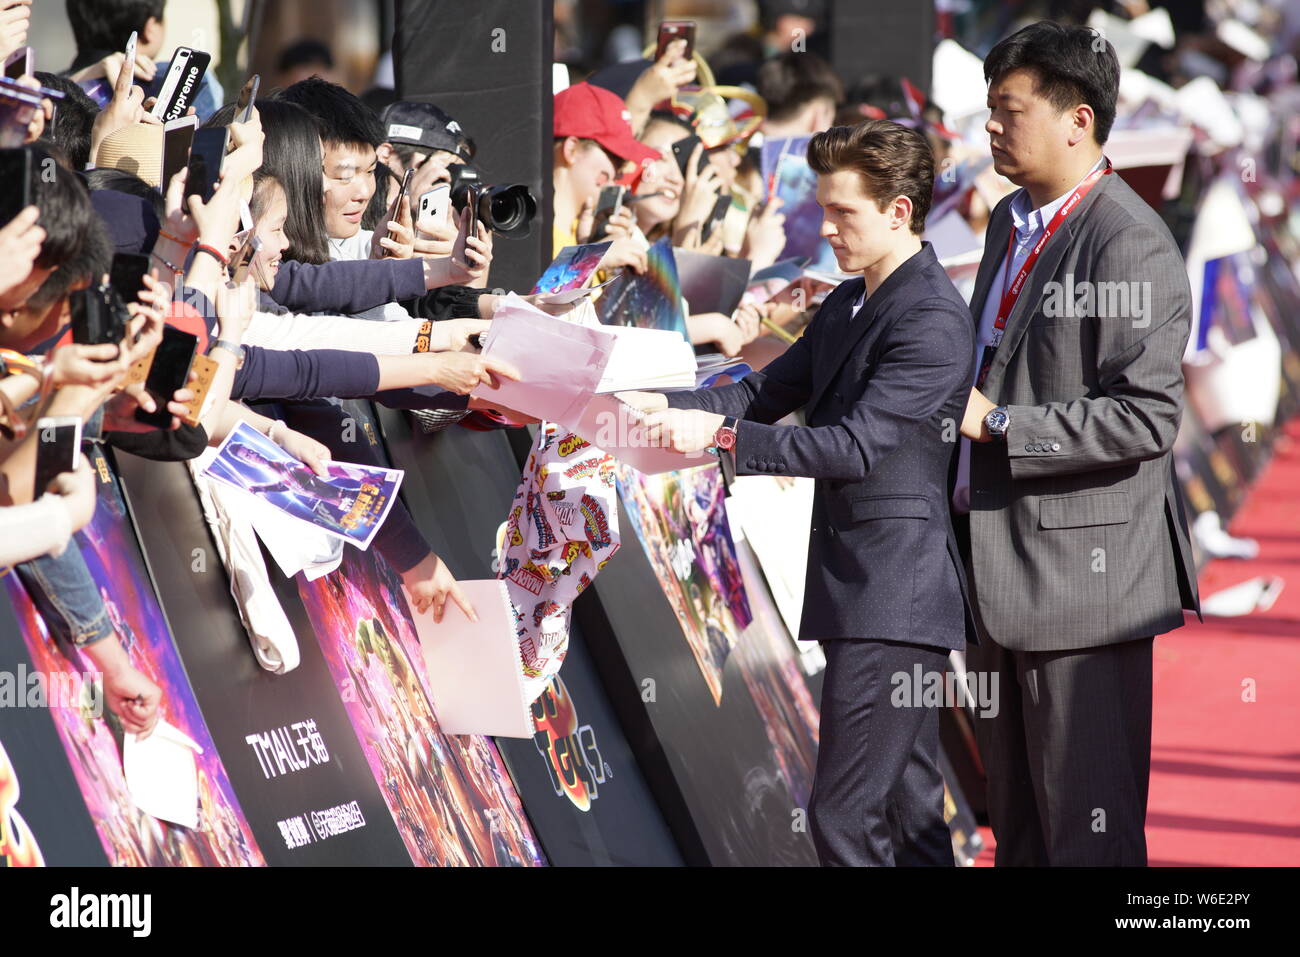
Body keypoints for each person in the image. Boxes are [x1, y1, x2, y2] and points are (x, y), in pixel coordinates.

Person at [625, 120, 976, 866]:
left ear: (899, 212)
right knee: (910, 812)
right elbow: (761, 390)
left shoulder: (933, 320)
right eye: (824, 208)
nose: (826, 227)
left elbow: (851, 448)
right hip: (876, 592)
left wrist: (717, 439)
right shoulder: (854, 302)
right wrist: (657, 400)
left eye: (843, 212)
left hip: (894, 596)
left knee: (844, 817)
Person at [955, 21, 1200, 866]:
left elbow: (1145, 415)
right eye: (989, 108)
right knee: (1016, 827)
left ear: (1078, 120)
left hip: (1084, 589)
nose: (990, 125)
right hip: (999, 569)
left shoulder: (1125, 238)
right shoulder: (1009, 221)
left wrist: (999, 423)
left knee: (1086, 832)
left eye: (1008, 109)